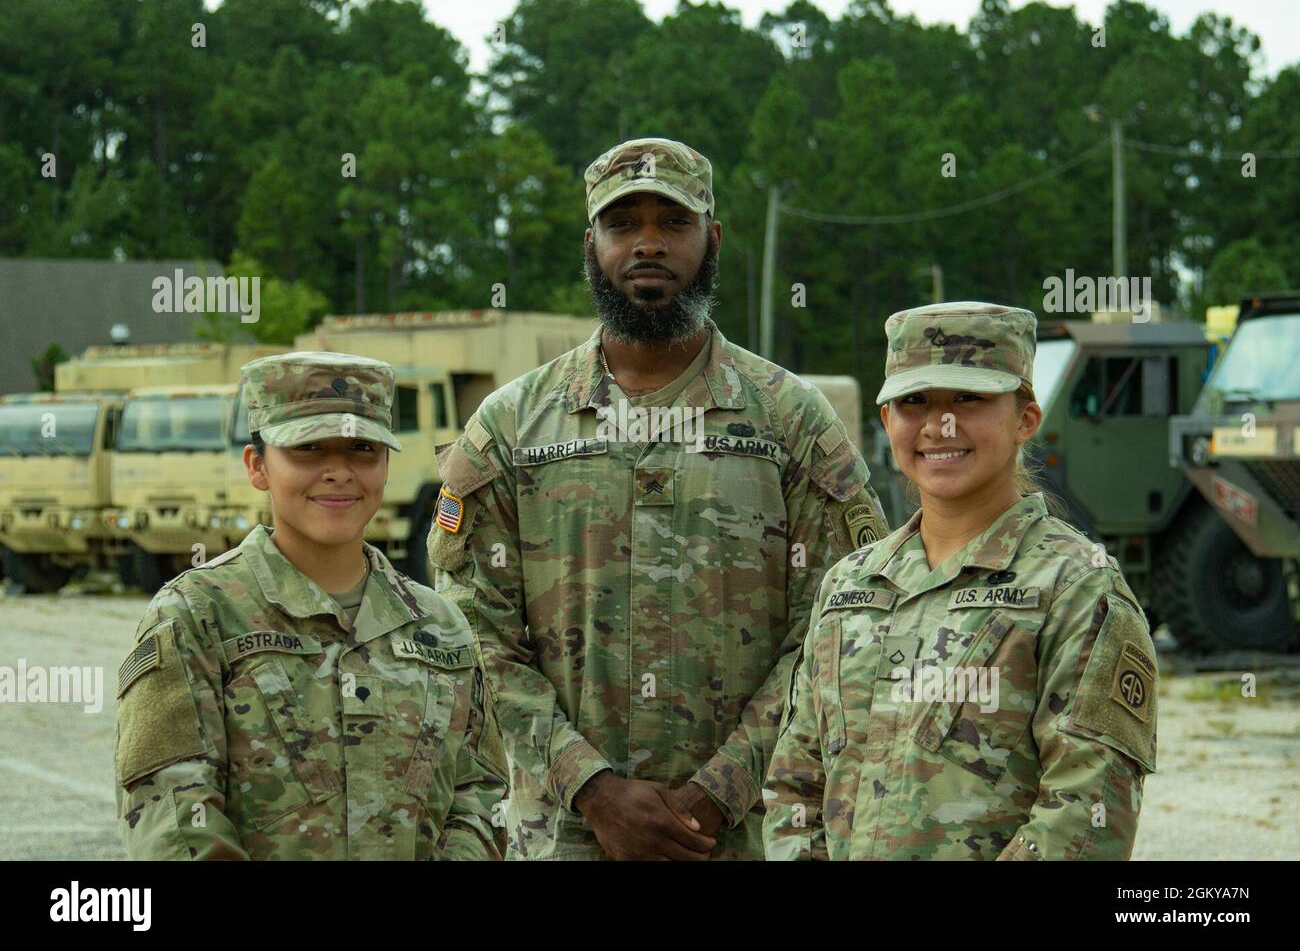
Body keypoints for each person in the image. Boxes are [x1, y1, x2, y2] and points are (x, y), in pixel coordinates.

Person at [429, 137, 889, 860]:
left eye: (673, 224)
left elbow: (840, 627)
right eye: (623, 225)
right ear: (592, 244)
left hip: (748, 837)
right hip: (565, 836)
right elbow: (473, 633)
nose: (647, 245)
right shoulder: (512, 426)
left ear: (713, 238)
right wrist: (592, 788)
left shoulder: (788, 419)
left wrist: (722, 789)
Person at [762, 302, 1158, 860]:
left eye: (968, 398)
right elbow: (794, 784)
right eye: (914, 401)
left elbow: (1087, 809)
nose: (939, 424)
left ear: (1025, 418)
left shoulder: (1076, 587)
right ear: (886, 421)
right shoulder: (850, 586)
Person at [113, 351, 508, 860]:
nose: (338, 472)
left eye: (362, 449)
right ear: (257, 466)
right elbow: (170, 813)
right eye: (308, 449)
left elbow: (479, 798)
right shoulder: (194, 615)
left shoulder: (440, 626)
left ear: (387, 463)